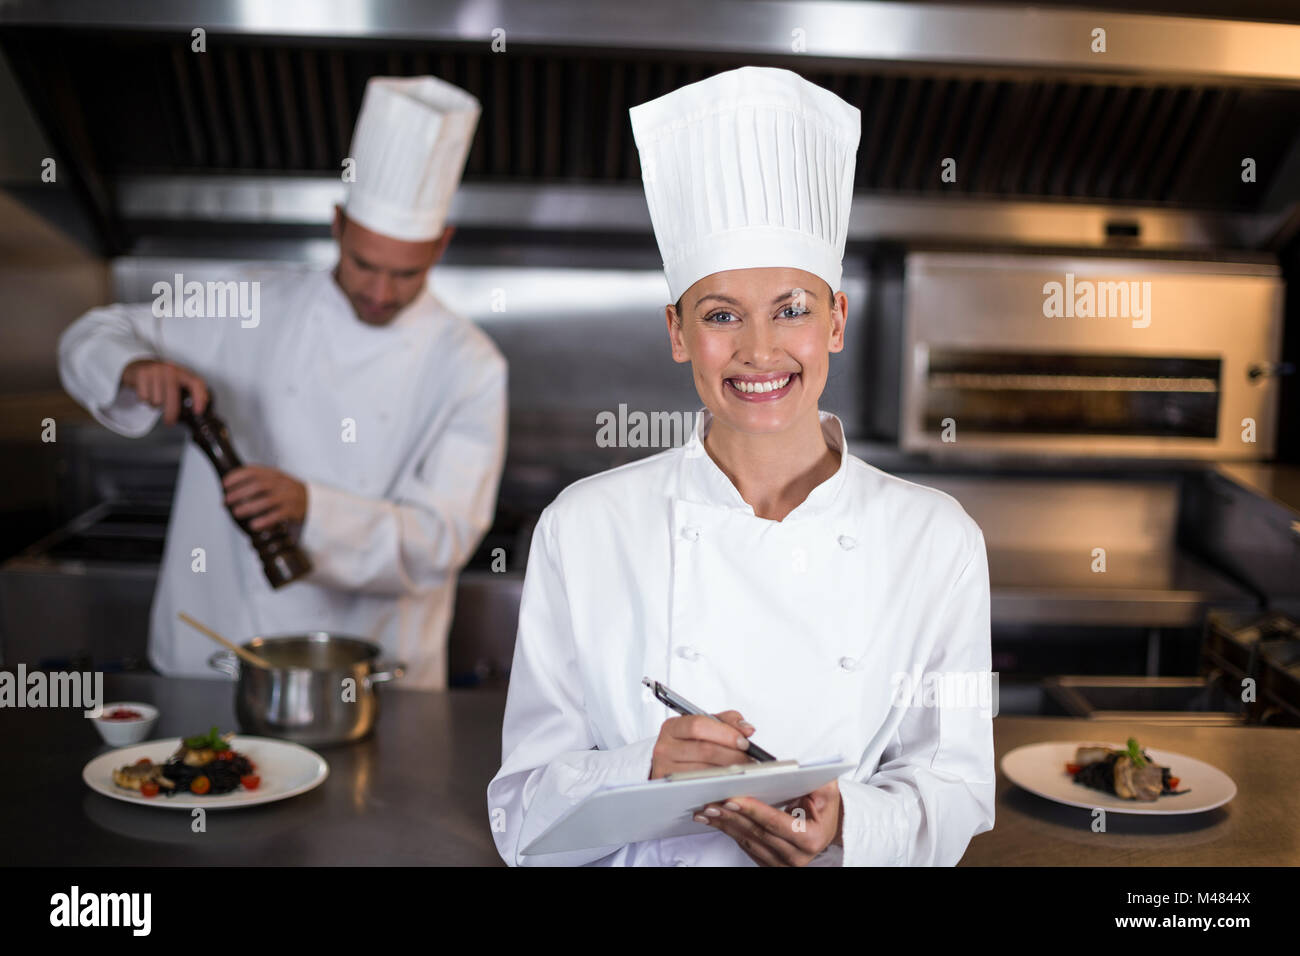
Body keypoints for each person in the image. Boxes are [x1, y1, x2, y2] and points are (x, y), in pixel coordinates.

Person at [487, 66, 994, 865]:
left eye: (792, 309)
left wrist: (850, 824)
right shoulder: (583, 527)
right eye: (722, 315)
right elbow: (521, 819)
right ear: (678, 332)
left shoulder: (939, 539)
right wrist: (641, 768)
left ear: (836, 319)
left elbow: (959, 787)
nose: (759, 350)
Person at [57, 76, 507, 690]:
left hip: (374, 677)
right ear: (337, 226)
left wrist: (312, 508)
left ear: (442, 245)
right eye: (364, 265)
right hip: (217, 656)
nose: (379, 294)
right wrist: (133, 367)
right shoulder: (250, 305)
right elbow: (92, 333)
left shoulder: (470, 364)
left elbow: (442, 539)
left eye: (406, 274)